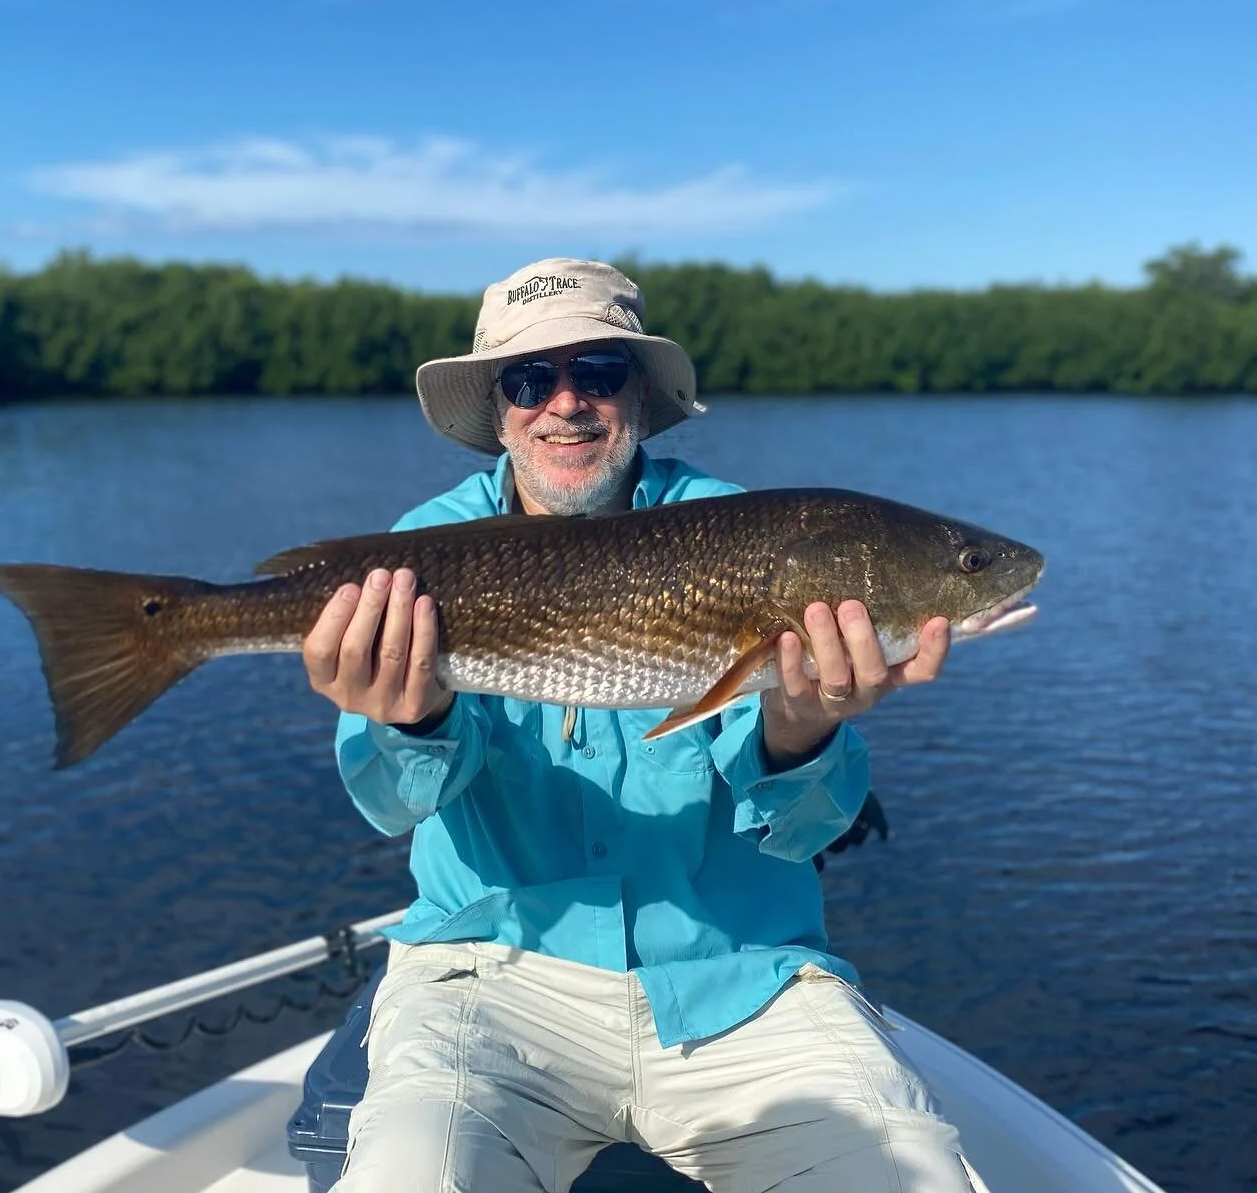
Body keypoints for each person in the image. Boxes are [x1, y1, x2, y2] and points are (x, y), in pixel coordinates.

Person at [302, 258, 980, 1193]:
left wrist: (804, 723)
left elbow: (807, 830)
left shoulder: (744, 532)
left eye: (600, 373)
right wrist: (409, 721)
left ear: (642, 394)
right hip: (486, 973)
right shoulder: (420, 552)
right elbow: (388, 801)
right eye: (531, 380)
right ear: (499, 408)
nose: (566, 404)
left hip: (736, 977)